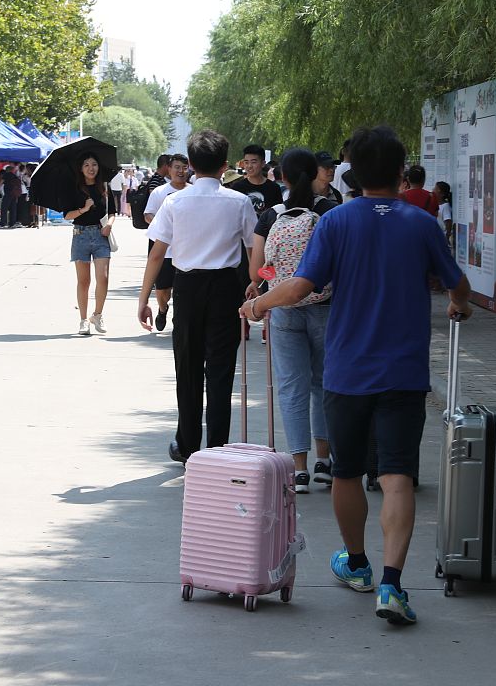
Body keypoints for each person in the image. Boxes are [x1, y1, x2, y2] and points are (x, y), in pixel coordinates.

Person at [240, 125, 470, 626]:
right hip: (405, 371)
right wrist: (459, 305)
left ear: (353, 174)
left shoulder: (337, 221)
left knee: (345, 471)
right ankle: (393, 584)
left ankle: (358, 564)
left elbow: (301, 286)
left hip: (347, 371)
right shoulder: (422, 223)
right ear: (401, 171)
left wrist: (257, 305)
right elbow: (457, 283)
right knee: (396, 474)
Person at [138, 130, 257, 463]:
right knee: (221, 371)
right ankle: (217, 448)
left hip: (188, 288)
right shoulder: (239, 201)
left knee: (188, 368)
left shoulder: (175, 201)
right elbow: (253, 249)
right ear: (225, 166)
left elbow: (157, 253)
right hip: (226, 288)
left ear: (190, 163)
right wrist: (255, 285)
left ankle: (188, 444)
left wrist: (144, 298)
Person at [247, 148, 338, 493]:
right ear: (315, 173)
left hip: (283, 308)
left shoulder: (271, 215)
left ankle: (299, 469)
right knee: (323, 383)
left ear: (281, 176)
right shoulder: (330, 212)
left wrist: (270, 283)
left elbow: (257, 269)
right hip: (325, 305)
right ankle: (324, 462)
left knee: (291, 386)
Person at [65, 155, 114, 335]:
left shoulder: (104, 187)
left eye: (94, 164)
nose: (90, 168)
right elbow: (67, 215)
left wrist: (109, 225)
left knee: (103, 278)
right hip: (80, 235)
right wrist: (84, 209)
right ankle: (83, 320)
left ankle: (97, 315)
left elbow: (112, 212)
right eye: (86, 165)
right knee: (84, 281)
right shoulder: (74, 188)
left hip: (101, 235)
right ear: (81, 168)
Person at [143, 154, 190, 331]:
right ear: (169, 169)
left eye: (184, 168)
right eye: (177, 167)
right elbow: (148, 214)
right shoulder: (159, 192)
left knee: (183, 289)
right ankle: (162, 310)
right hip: (164, 250)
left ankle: (180, 320)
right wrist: (162, 226)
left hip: (186, 250)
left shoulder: (193, 191)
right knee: (163, 290)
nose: (181, 171)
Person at [226, 144, 283, 215]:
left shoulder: (274, 188)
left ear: (263, 163)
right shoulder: (237, 188)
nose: (249, 166)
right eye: (246, 162)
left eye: (253, 162)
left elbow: (278, 214)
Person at [434, 181, 454, 247]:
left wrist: (447, 237)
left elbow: (448, 222)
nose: (433, 190)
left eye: (435, 189)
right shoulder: (435, 204)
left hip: (442, 238)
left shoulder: (445, 206)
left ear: (442, 194)